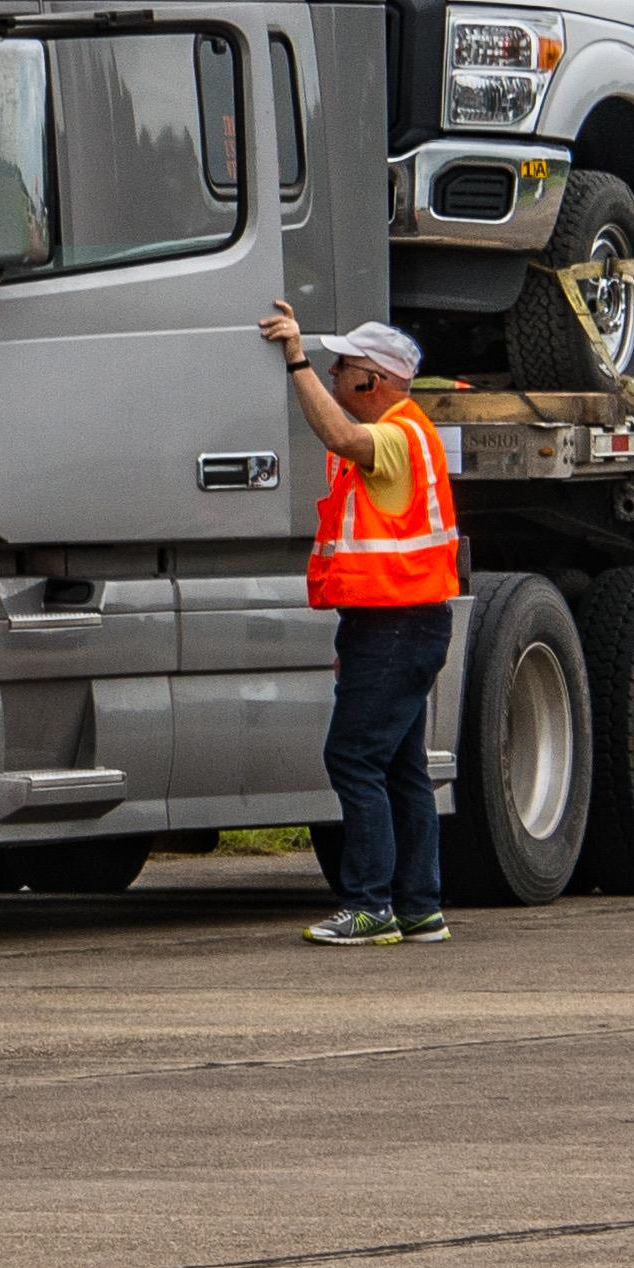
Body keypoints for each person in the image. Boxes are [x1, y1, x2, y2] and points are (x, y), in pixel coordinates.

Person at [263, 302, 462, 945]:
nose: (333, 375)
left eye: (341, 367)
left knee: (351, 758)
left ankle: (370, 905)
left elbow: (342, 436)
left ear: (371, 381)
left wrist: (294, 363)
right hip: (393, 625)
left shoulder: (396, 436)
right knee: (399, 767)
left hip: (398, 626)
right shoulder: (402, 435)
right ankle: (418, 906)